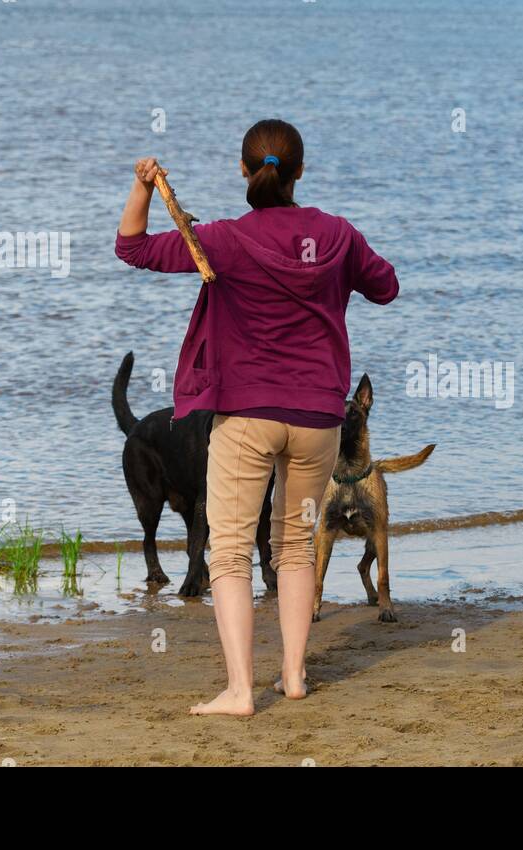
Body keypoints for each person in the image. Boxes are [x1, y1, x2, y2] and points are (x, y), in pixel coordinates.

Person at [115, 119, 399, 716]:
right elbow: (387, 287)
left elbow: (132, 247)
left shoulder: (221, 239)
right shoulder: (338, 235)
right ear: (300, 171)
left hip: (246, 417)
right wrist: (334, 274)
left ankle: (241, 690)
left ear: (244, 171)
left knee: (230, 550)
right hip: (318, 418)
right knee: (295, 546)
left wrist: (143, 186)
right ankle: (293, 676)